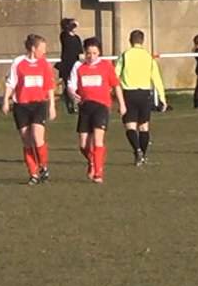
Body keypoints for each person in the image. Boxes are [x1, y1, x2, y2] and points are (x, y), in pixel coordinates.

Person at [2, 34, 58, 186]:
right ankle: (33, 173)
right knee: (26, 140)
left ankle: (43, 166)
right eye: (42, 49)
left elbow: (49, 86)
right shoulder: (18, 62)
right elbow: (11, 82)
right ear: (33, 48)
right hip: (21, 106)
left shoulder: (44, 64)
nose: (44, 52)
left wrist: (52, 105)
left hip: (39, 104)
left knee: (37, 136)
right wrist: (6, 101)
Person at [68, 37, 125, 184]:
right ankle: (92, 161)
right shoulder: (78, 67)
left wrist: (122, 104)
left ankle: (98, 172)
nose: (91, 56)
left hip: (101, 106)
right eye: (88, 53)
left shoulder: (106, 66)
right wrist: (72, 93)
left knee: (98, 140)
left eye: (94, 53)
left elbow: (116, 85)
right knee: (83, 145)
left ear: (99, 52)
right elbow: (71, 85)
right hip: (85, 108)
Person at [115, 30, 166, 166]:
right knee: (144, 127)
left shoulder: (125, 56)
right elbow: (156, 78)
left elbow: (115, 75)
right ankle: (142, 155)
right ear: (142, 41)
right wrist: (162, 97)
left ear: (130, 40)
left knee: (130, 126)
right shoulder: (148, 57)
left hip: (129, 94)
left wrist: (110, 91)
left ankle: (137, 150)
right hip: (144, 94)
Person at [59, 18, 84, 114]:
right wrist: (74, 23)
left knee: (77, 84)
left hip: (76, 64)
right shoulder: (64, 35)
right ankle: (70, 104)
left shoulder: (77, 38)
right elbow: (69, 28)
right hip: (67, 65)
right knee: (68, 85)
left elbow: (80, 52)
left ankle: (77, 103)